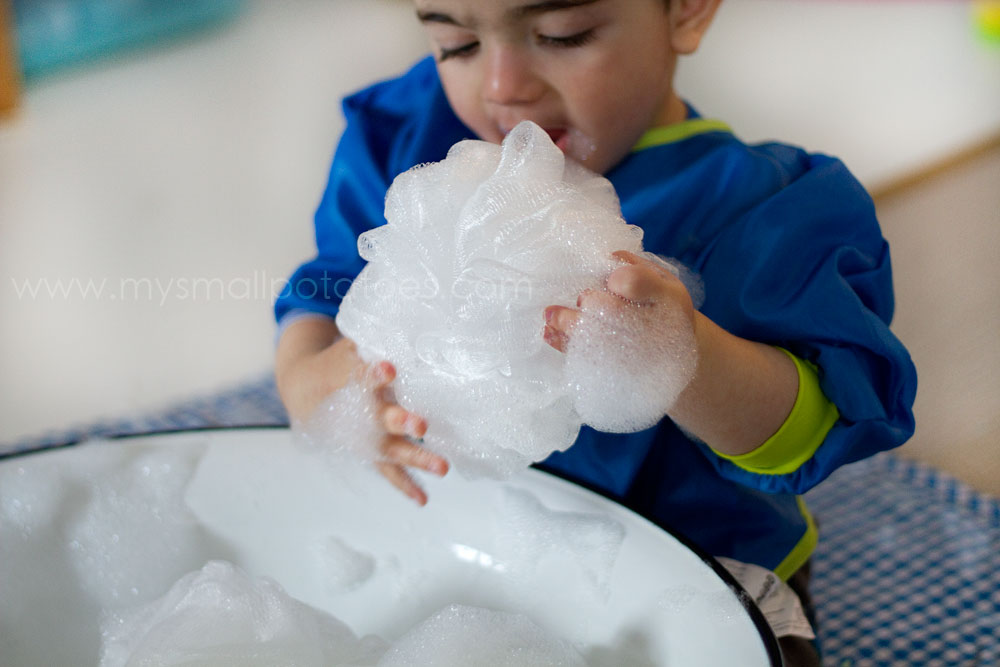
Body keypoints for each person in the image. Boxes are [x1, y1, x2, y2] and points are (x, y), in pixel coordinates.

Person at [273, 0, 917, 663]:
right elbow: (325, 284)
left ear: (687, 11)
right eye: (458, 44)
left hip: (696, 566)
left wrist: (683, 359)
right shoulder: (408, 137)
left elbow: (816, 426)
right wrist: (307, 379)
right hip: (464, 545)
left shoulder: (765, 210)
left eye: (561, 34)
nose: (502, 87)